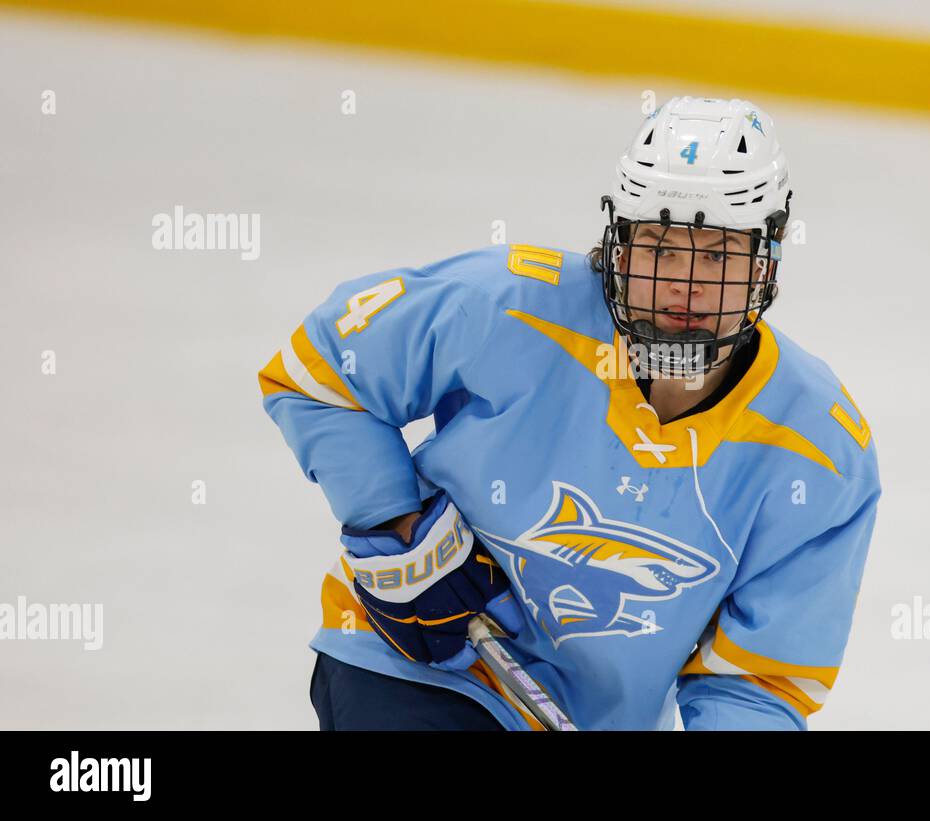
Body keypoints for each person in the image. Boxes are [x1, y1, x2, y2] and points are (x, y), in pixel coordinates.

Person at [259, 95, 881, 730]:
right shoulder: (517, 306)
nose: (683, 283)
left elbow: (757, 682)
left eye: (717, 255)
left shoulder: (818, 446)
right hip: (412, 660)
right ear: (618, 243)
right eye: (659, 248)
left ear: (765, 259)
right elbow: (321, 367)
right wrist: (392, 521)